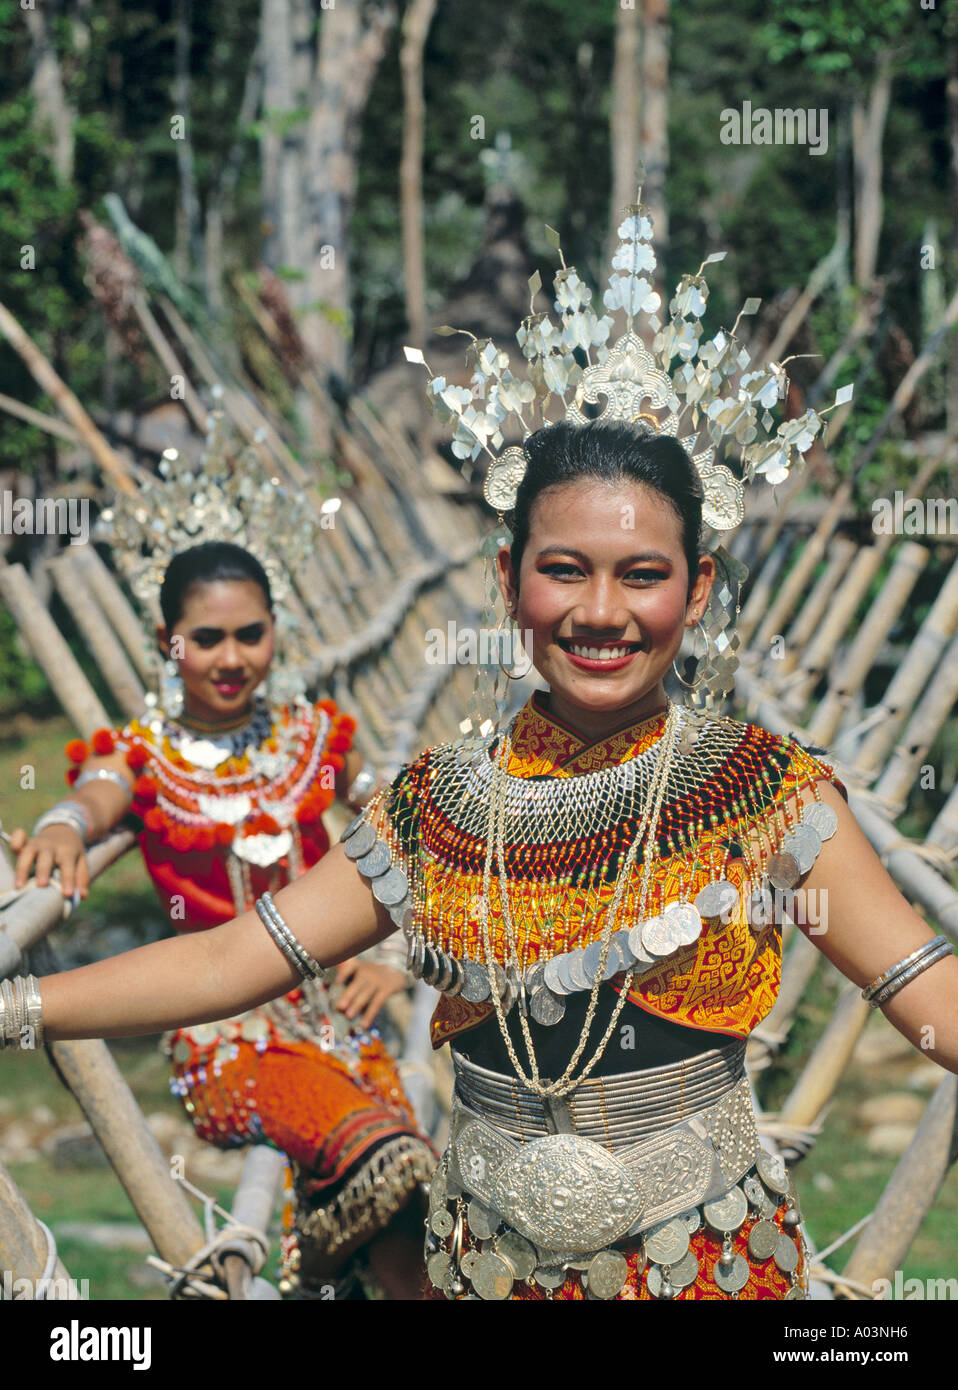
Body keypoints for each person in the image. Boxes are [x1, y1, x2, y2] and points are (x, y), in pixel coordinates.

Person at [4, 424, 957, 1301]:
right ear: (508, 579)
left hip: (705, 1267)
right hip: (486, 1271)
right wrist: (20, 1007)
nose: (600, 611)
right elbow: (227, 961)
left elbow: (927, 994)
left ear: (698, 589)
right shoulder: (439, 809)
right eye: (564, 570)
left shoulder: (761, 793)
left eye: (641, 575)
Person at [8, 540, 435, 1300]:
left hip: (338, 1026)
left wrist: (393, 957)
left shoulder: (314, 739)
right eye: (206, 638)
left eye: (251, 634)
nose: (231, 657)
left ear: (275, 630)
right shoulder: (142, 754)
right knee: (386, 1158)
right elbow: (95, 792)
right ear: (168, 643)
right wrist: (65, 826)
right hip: (228, 1042)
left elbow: (404, 834)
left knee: (417, 1226)